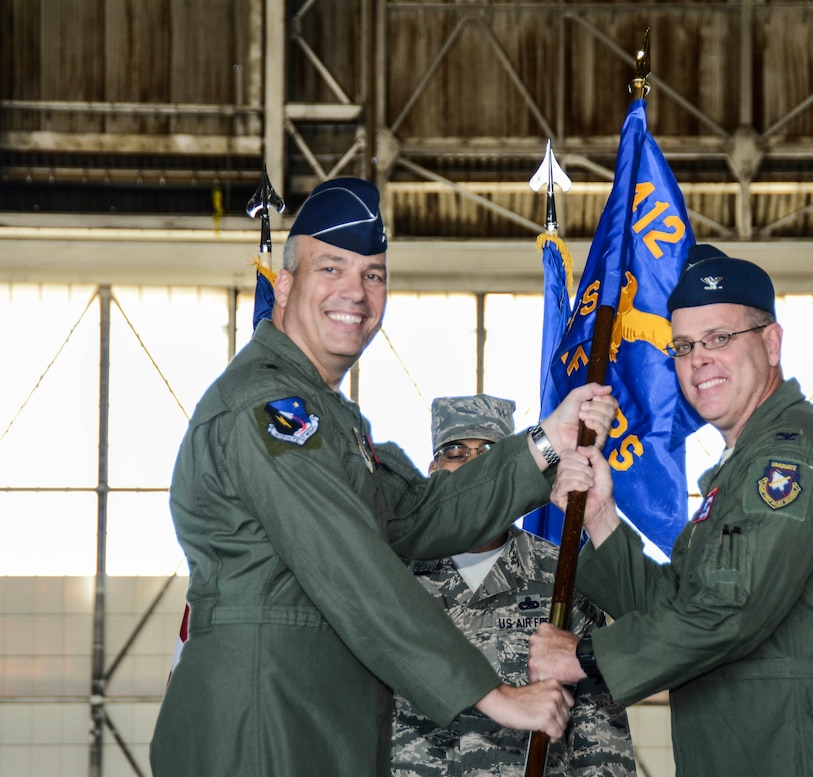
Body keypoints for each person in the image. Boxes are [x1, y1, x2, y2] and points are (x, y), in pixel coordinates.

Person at [149, 177, 618, 777]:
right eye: (332, 268)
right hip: (263, 719)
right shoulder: (267, 409)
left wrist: (548, 438)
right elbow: (351, 564)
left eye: (373, 274)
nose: (357, 292)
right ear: (284, 284)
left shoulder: (327, 417)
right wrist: (492, 694)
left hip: (312, 716)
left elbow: (423, 515)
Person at [528, 244, 813, 776]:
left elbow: (729, 613)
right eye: (683, 346)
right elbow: (683, 605)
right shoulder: (745, 465)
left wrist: (584, 656)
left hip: (797, 757)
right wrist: (601, 518)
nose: (699, 359)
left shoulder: (791, 458)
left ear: (771, 344)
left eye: (719, 338)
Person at [390, 394, 636, 777]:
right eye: (455, 452)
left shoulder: (562, 575)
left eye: (489, 452)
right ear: (433, 468)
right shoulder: (393, 575)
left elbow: (599, 731)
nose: (473, 463)